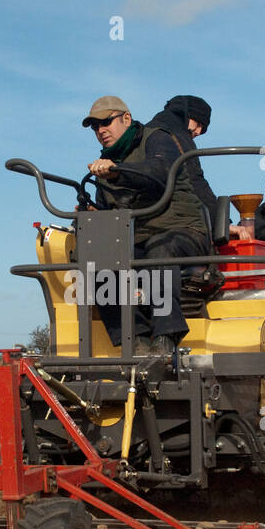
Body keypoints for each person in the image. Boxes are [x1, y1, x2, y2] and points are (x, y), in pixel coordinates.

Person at [82, 96, 210, 355]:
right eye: (95, 127)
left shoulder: (156, 138)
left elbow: (159, 171)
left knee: (159, 253)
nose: (101, 131)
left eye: (106, 122)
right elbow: (110, 211)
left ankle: (166, 338)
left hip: (183, 231)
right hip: (138, 240)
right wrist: (94, 212)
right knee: (98, 265)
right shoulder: (103, 167)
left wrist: (118, 170)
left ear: (126, 119)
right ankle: (137, 342)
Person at [145, 95, 216, 212]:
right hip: (172, 215)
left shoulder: (145, 132)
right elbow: (196, 182)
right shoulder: (179, 136)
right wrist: (221, 222)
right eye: (199, 124)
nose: (198, 132)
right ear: (187, 116)